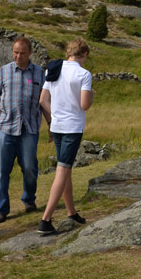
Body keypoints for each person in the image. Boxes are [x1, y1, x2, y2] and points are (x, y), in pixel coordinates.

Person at [0, 37, 48, 224]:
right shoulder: (3, 72)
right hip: (6, 128)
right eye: (15, 52)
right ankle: (1, 209)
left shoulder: (39, 74)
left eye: (22, 53)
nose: (18, 56)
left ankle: (29, 200)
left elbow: (45, 103)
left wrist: (51, 126)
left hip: (29, 129)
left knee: (29, 168)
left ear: (30, 53)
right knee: (1, 171)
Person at [37, 37, 93, 235]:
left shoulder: (53, 69)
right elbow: (84, 104)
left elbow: (43, 99)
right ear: (84, 54)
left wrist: (55, 115)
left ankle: (71, 212)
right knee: (62, 170)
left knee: (65, 168)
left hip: (58, 125)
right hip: (73, 127)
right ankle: (46, 219)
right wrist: (91, 95)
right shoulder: (84, 74)